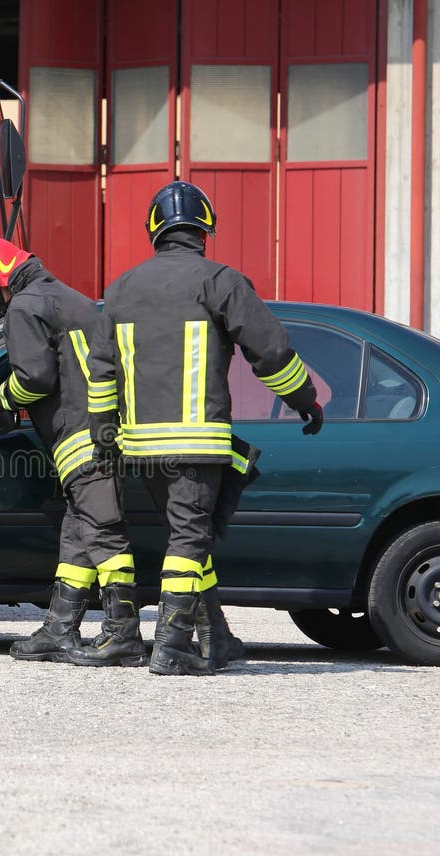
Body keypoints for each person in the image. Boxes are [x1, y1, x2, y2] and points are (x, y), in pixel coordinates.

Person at [72, 181, 323, 676]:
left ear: (154, 230)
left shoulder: (120, 288)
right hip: (197, 443)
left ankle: (218, 638)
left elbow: (100, 372)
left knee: (189, 538)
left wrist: (105, 434)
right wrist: (304, 399)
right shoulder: (221, 281)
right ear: (204, 228)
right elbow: (269, 351)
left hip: (141, 448)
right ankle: (172, 647)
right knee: (188, 541)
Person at [0, 238, 148, 667]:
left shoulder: (25, 307)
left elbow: (34, 380)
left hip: (82, 440)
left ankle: (124, 634)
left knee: (102, 532)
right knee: (78, 532)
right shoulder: (74, 298)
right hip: (101, 433)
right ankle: (59, 627)